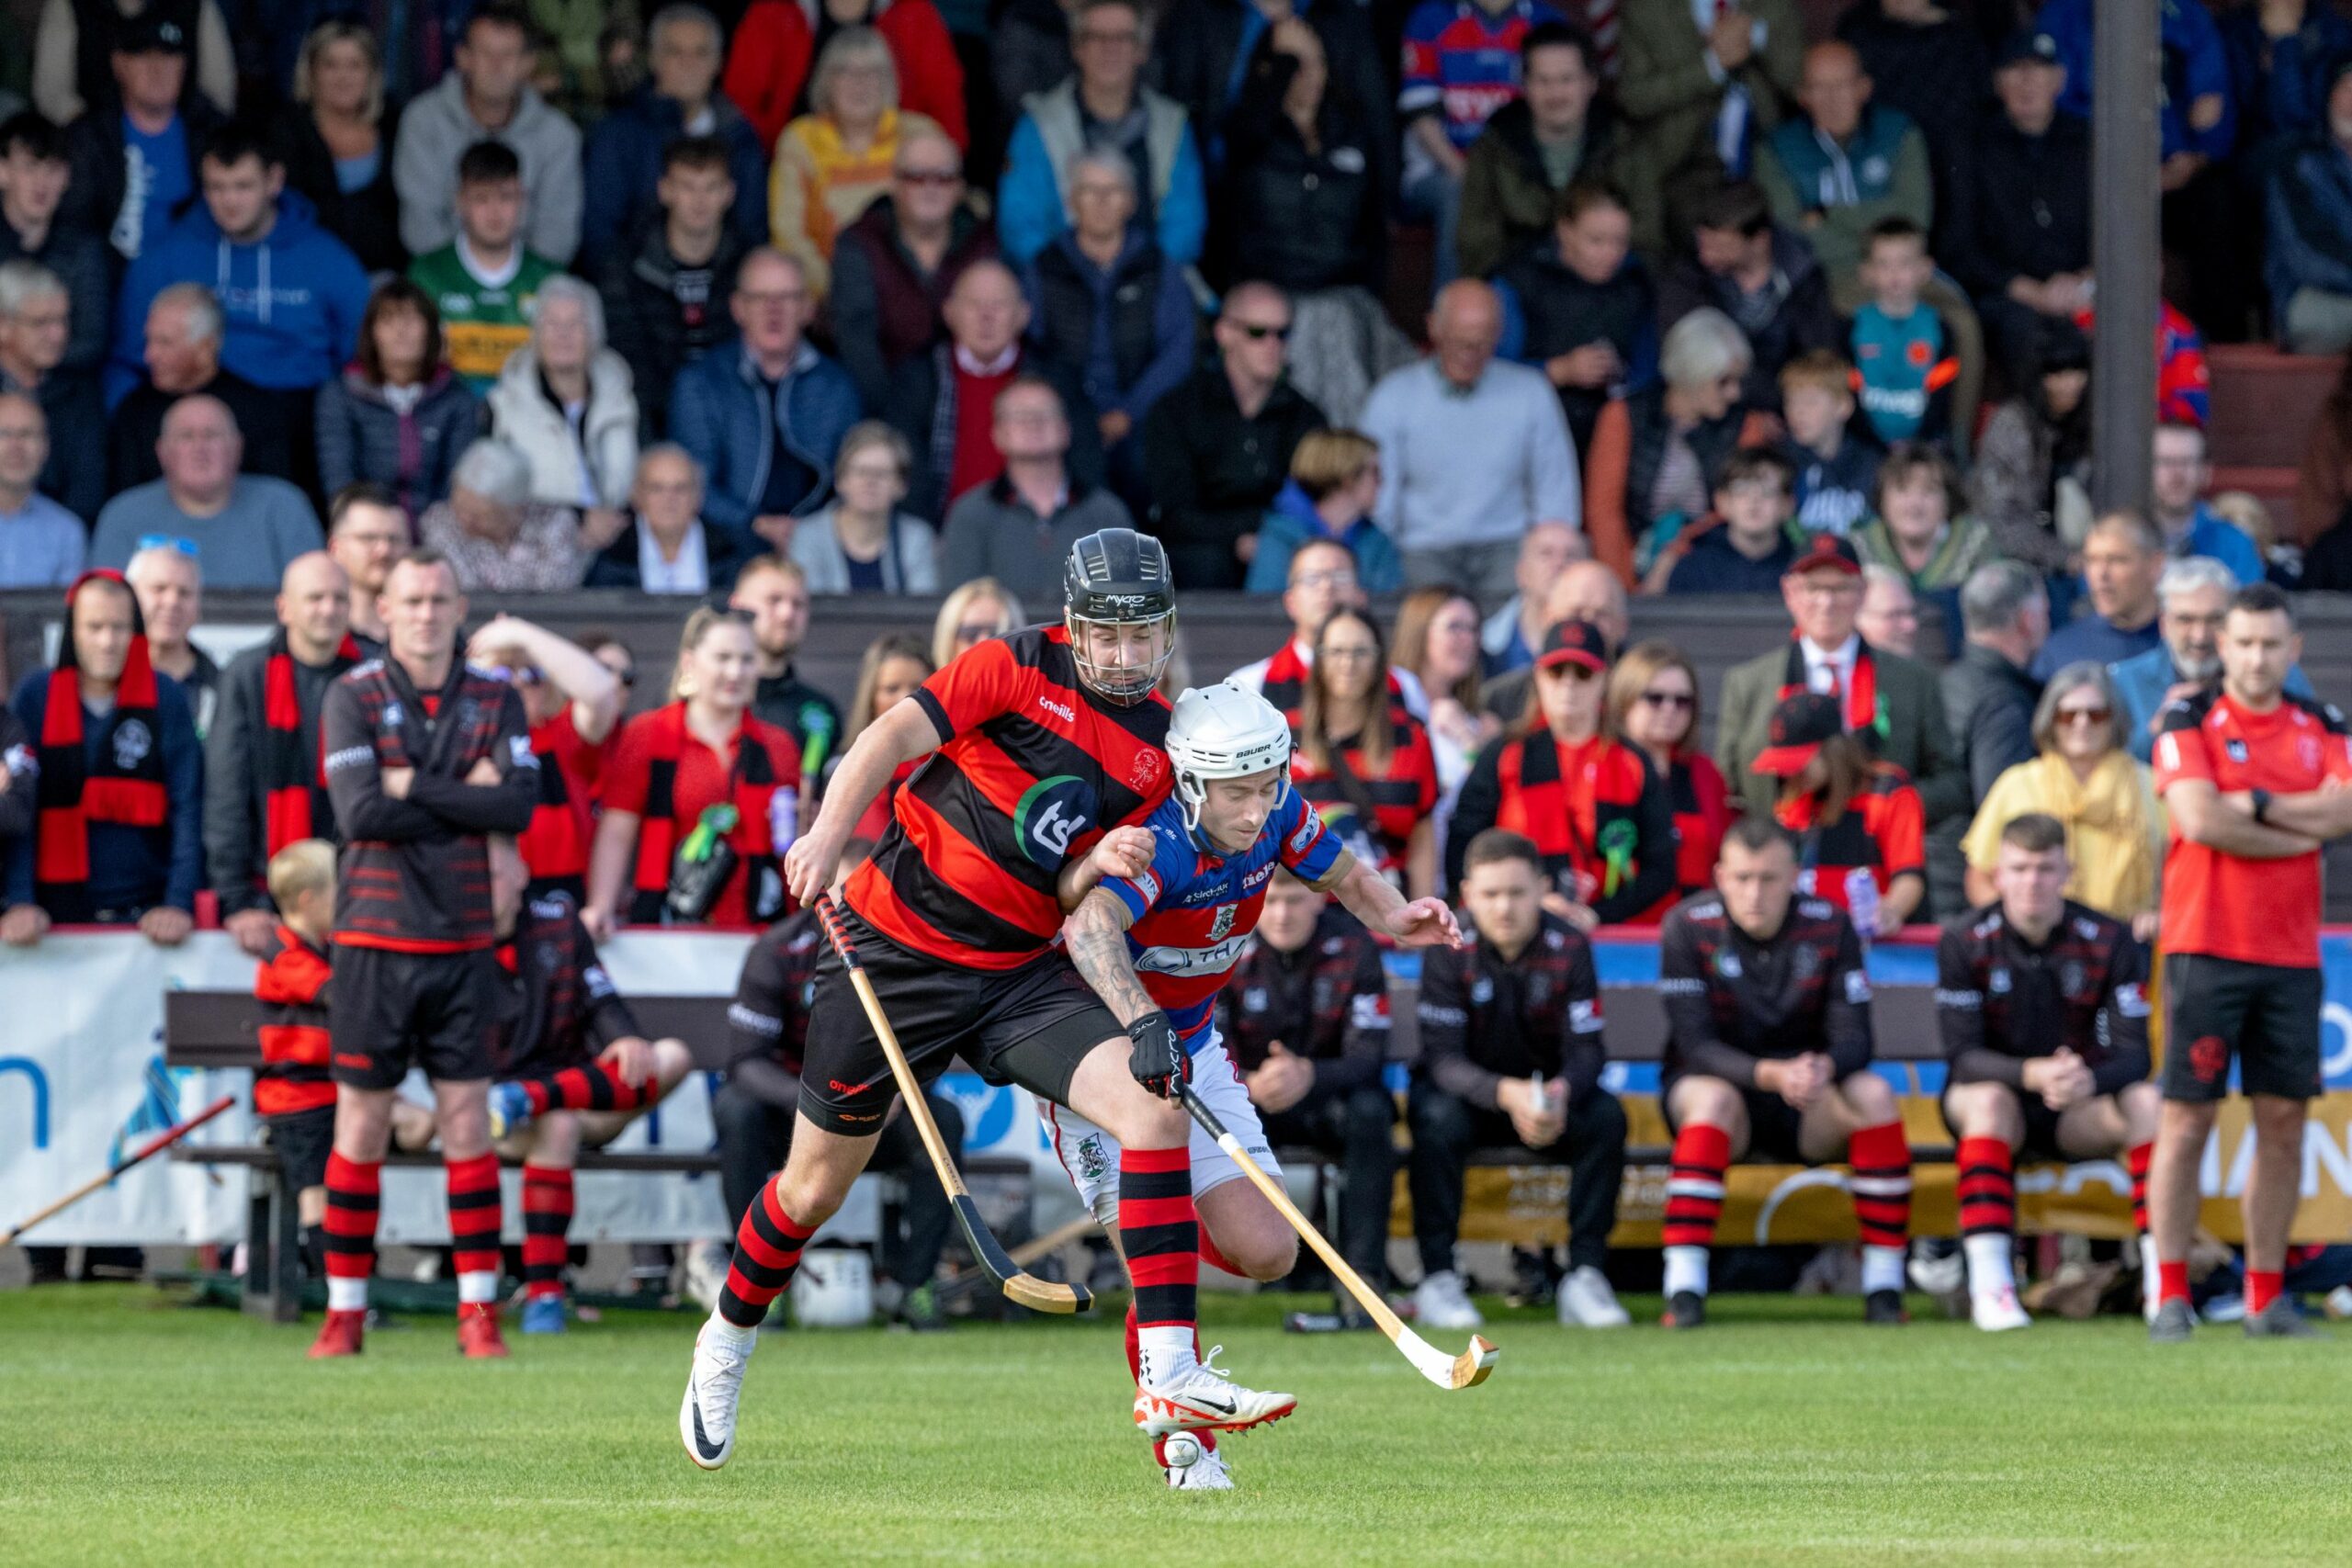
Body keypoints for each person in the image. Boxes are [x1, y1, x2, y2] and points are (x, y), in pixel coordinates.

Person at [677, 529, 1298, 1478]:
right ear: (1074, 628)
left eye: (1145, 638)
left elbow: (1068, 890)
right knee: (810, 1191)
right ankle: (725, 1339)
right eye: (1109, 637)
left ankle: (1170, 1373)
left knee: (1151, 1103)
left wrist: (1097, 865)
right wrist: (825, 833)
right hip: (891, 957)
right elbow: (887, 738)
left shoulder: (1160, 746)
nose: (1128, 658)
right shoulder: (1009, 666)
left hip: (1016, 972)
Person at [1049, 680, 1459, 1481]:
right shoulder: (1159, 841)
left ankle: (1156, 1254)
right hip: (1103, 1055)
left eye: (1270, 784)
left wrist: (1395, 912)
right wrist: (1141, 1024)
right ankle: (1183, 1442)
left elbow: (1344, 874)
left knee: (1269, 1249)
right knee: (1152, 1251)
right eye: (1239, 791)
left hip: (1193, 1044)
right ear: (1194, 782)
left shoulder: (1275, 815)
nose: (1257, 806)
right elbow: (1087, 926)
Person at [308, 547, 539, 1359]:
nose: (426, 613)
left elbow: (521, 800)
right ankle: (345, 1310)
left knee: (468, 1124)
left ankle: (478, 1311)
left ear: (459, 604)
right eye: (411, 600)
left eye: (439, 599)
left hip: (466, 939)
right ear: (386, 609)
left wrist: (416, 784)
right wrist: (466, 798)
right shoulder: (352, 693)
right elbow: (361, 811)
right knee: (363, 1124)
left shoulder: (497, 695)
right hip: (373, 941)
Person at [2147, 584, 2352, 1342]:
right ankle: (2169, 1292)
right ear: (2221, 646)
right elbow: (2198, 817)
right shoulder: (2186, 715)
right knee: (2187, 1116)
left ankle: (2266, 1297)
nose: (2258, 657)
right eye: (2244, 643)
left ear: (2292, 648)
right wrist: (2304, 825)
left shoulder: (2323, 721)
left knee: (2284, 1121)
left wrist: (2256, 805)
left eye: (2272, 644)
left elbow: (2350, 810)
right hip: (2206, 942)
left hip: (2291, 951)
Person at [1654, 816, 1912, 1328]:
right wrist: (1771, 1074)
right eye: (1743, 878)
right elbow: (1695, 1046)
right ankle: (1683, 1289)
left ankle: (1885, 1286)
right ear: (1720, 876)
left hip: (1808, 1099)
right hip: (1725, 1102)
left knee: (1875, 1094)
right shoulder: (1687, 925)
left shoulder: (1830, 923)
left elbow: (1858, 1038)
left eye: (1769, 879)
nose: (1755, 893)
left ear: (1794, 876)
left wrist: (1826, 1066)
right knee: (1711, 1099)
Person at [454, 834, 697, 1334]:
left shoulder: (558, 923)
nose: (483, 888)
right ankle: (544, 1293)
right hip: (486, 1113)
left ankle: (534, 1098)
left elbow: (601, 999)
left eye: (494, 875)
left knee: (671, 1055)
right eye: (474, 878)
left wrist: (626, 1038)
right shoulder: (450, 938)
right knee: (556, 1126)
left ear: (521, 875)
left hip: (579, 1096)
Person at [1938, 811, 2157, 1332]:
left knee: (2148, 1103)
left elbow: (2136, 1057)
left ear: (2068, 872)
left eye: (2044, 868)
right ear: (1998, 875)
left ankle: (2160, 1282)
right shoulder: (1964, 939)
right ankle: (1992, 1288)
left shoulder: (2110, 937)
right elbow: (1962, 1056)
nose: (2032, 881)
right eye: (2019, 868)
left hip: (2077, 1107)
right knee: (1989, 1098)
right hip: (1993, 1103)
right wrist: (2030, 1073)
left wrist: (2088, 1081)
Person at [709, 895, 969, 1332]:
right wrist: (816, 1104)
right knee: (737, 1111)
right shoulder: (778, 950)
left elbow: (928, 1044)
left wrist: (896, 1093)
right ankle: (756, 1283)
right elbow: (745, 1063)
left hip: (870, 1115)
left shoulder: (903, 945)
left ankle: (914, 1286)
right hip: (790, 1117)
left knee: (942, 1118)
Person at [1410, 827, 1628, 1331]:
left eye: (1516, 892)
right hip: (1471, 1104)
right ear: (1466, 896)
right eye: (1490, 894)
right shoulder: (1447, 947)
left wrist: (1558, 1095)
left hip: (1545, 1103)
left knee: (1604, 1117)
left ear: (1541, 889)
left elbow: (1588, 1049)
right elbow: (1442, 1060)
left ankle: (1587, 1276)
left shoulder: (1569, 945)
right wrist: (1506, 1094)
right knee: (1433, 1115)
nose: (1504, 907)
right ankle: (1439, 1276)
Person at [1213, 866, 1396, 1309]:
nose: (1281, 914)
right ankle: (1235, 1269)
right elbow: (1203, 1043)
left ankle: (1364, 1277)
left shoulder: (1356, 947)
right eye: (1269, 901)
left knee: (1373, 1112)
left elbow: (1370, 1056)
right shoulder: (1221, 947)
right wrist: (1249, 1084)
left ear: (1319, 899)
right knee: (1179, 1116)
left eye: (1293, 900)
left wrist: (1309, 1075)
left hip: (1329, 1101)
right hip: (1247, 1103)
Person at [107, 119, 370, 414]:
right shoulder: (164, 257)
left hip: (300, 408)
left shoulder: (328, 259)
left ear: (274, 181)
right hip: (196, 407)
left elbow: (358, 358)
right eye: (216, 187)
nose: (229, 201)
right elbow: (129, 359)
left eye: (243, 186)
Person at [1210, 11, 1393, 427]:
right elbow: (1242, 137)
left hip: (1345, 298)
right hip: (1273, 294)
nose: (1308, 76)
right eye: (1294, 65)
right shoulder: (1253, 138)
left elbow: (1373, 231)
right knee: (1306, 324)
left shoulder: (1352, 134)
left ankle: (1341, 457)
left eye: (1318, 63)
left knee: (1341, 326)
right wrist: (1277, 70)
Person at [0, 569, 200, 945]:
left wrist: (178, 902)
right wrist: (19, 901)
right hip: (49, 919)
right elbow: (21, 810)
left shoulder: (166, 696)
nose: (108, 641)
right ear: (71, 632)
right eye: (94, 627)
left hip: (147, 917)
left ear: (137, 632)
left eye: (120, 627)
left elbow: (188, 806)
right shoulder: (34, 696)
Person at [1713, 530, 1962, 823]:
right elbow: (1726, 786)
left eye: (1840, 588)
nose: (1826, 602)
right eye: (1813, 588)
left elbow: (1952, 783)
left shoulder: (1914, 681)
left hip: (1878, 852)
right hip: (1781, 849)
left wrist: (1895, 810)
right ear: (1789, 593)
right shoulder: (1747, 683)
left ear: (1862, 592)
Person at [1360, 279, 1579, 604]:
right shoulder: (1393, 396)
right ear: (1434, 328)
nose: (1470, 355)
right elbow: (1378, 497)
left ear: (1499, 333)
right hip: (1423, 550)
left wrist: (1553, 557)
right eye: (1461, 343)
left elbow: (1555, 491)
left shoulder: (1531, 392)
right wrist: (1378, 555)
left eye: (1482, 344)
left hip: (1508, 547)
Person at [588, 608, 803, 936]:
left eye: (747, 659)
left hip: (761, 928)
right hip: (668, 923)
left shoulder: (779, 745)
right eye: (723, 657)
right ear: (689, 662)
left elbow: (794, 842)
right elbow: (617, 830)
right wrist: (601, 906)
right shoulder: (648, 733)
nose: (736, 671)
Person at [1449, 615, 1675, 920]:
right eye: (1557, 672)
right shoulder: (1504, 754)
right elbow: (1464, 846)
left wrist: (1596, 915)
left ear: (1604, 680)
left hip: (1606, 934)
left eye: (1583, 673)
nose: (1568, 684)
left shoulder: (1632, 761)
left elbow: (1661, 866)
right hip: (1513, 927)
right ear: (1539, 677)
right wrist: (1523, 906)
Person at [205, 551, 365, 955]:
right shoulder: (247, 674)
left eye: (339, 599)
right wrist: (237, 900)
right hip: (269, 900)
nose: (328, 610)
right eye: (315, 598)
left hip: (361, 893)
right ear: (284, 607)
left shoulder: (373, 673)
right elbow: (227, 791)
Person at [1018, 149, 1192, 493]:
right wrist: (1076, 414)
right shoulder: (1044, 267)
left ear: (1130, 202)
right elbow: (1031, 348)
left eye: (1112, 191)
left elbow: (1179, 350)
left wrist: (1128, 412)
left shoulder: (1157, 267)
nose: (1100, 202)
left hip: (1143, 421)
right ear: (1071, 201)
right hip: (1063, 419)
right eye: (1089, 190)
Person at [672, 249, 863, 558]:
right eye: (760, 297)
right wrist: (755, 524)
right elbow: (693, 482)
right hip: (724, 547)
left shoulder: (836, 385)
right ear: (738, 308)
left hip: (819, 543)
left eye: (786, 297)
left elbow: (851, 477)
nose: (773, 310)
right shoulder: (701, 381)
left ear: (807, 309)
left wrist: (810, 529)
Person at [1139, 280, 1325, 591]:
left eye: (1283, 334)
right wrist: (1240, 538)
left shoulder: (1305, 415)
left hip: (1285, 547)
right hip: (1203, 557)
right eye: (1257, 333)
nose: (1273, 344)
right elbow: (1174, 513)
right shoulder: (1177, 410)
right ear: (1225, 333)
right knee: (1202, 561)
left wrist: (1269, 540)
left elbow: (1318, 499)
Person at [884, 257, 1101, 523]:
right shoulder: (917, 378)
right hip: (941, 537)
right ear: (949, 313)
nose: (986, 316)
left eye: (999, 305)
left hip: (1040, 534)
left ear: (1023, 315)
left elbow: (1087, 465)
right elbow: (902, 470)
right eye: (974, 304)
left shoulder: (1055, 379)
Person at [996, 0, 1205, 267]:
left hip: (1149, 287)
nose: (1111, 48)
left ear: (1142, 50)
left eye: (1124, 37)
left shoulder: (1172, 124)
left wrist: (1142, 280)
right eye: (1097, 37)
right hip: (1059, 288)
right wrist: (1074, 280)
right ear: (1077, 49)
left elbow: (1184, 229)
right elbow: (1021, 227)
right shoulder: (1040, 123)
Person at [1961, 663, 2165, 932]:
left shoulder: (2151, 785)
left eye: (2096, 714)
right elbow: (1979, 877)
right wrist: (2019, 925)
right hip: (2040, 947)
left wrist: (2160, 916)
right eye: (2069, 715)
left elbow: (2183, 874)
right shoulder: (2018, 783)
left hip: (2130, 943)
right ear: (2050, 719)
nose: (2082, 723)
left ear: (2114, 719)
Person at [1581, 306, 1774, 587]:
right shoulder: (1624, 416)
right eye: (1723, 381)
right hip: (1634, 567)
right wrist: (1627, 589)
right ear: (1692, 374)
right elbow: (1604, 512)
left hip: (1714, 571)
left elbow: (1738, 511)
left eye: (1737, 381)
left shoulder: (1746, 425)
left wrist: (1676, 554)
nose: (1735, 393)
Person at [1948, 29, 2091, 386]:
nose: (2027, 82)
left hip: (2086, 288)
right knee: (2023, 329)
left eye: (2039, 70)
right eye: (2015, 70)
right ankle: (2039, 436)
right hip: (2008, 296)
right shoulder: (1973, 147)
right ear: (1997, 82)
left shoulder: (2090, 141)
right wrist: (2029, 291)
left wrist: (2084, 279)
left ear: (2060, 80)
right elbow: (1961, 246)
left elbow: (2124, 232)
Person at [1395, 0, 1570, 288]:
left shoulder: (1545, 19)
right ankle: (1456, 318)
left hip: (1519, 169)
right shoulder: (1430, 18)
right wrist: (1470, 175)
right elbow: (1421, 113)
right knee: (1461, 194)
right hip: (1440, 171)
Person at [392, 3, 583, 265]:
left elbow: (557, 233)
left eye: (508, 55)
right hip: (443, 278)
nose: (496, 66)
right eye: (486, 53)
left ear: (528, 63)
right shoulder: (423, 121)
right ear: (463, 58)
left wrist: (509, 284)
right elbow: (420, 225)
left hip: (528, 285)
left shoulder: (558, 135)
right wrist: (469, 282)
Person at [1612, 0, 1804, 256]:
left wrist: (1755, 36)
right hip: (1683, 162)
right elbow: (1633, 98)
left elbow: (1799, 81)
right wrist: (1712, 66)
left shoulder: (1772, 5)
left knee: (1785, 239)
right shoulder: (1646, 10)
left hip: (1766, 151)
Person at [828, 126, 999, 412]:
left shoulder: (984, 245)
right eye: (916, 177)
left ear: (959, 189)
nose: (930, 188)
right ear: (894, 184)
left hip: (970, 408)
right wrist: (895, 417)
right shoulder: (860, 243)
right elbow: (857, 345)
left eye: (944, 178)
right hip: (883, 408)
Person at [768, 28, 945, 301]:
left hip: (915, 295)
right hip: (827, 299)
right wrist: (842, 288)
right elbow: (789, 234)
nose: (859, 83)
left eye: (872, 72)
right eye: (845, 72)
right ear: (826, 81)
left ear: (888, 81)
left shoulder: (919, 134)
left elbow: (943, 216)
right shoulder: (801, 139)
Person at [581, 5, 766, 265]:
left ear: (717, 63)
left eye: (700, 53)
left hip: (723, 293)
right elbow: (600, 232)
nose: (688, 63)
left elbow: (753, 231)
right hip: (636, 291)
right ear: (653, 60)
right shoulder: (618, 135)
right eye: (674, 52)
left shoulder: (740, 135)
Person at [1492, 180, 1658, 459]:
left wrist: (1621, 377)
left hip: (1612, 434)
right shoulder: (1520, 281)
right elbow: (1493, 374)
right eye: (1596, 241)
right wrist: (1558, 371)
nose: (1610, 253)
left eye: (1620, 242)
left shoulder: (1634, 283)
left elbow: (1648, 371)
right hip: (1530, 430)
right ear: (1565, 232)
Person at [599, 135, 750, 443]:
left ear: (729, 193)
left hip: (733, 411)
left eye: (711, 187)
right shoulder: (626, 264)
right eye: (687, 187)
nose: (699, 201)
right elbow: (627, 358)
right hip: (650, 413)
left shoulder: (749, 267)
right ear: (665, 191)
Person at [465, 613, 625, 901]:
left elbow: (601, 692)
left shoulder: (563, 736)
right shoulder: (461, 741)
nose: (515, 685)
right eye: (500, 675)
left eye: (532, 675)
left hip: (561, 906)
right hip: (480, 899)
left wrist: (521, 632)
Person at [1288, 607, 1442, 897]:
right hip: (1306, 913)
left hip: (1385, 906)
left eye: (1361, 652)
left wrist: (1421, 912)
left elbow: (1423, 838)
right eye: (1336, 652)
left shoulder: (1411, 737)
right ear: (1317, 660)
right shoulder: (1284, 734)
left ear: (1379, 660)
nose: (1348, 664)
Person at [91, 396, 324, 587]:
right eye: (186, 437)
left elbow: (317, 597)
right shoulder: (123, 516)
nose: (199, 448)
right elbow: (108, 606)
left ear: (237, 448)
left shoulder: (284, 506)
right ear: (162, 452)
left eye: (211, 435)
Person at [937, 375, 1131, 603]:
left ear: (1065, 430)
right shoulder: (970, 514)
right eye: (1019, 416)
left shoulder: (1106, 513)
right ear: (998, 434)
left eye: (1044, 414)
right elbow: (961, 610)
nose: (1033, 423)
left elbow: (1129, 605)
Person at [249, 840, 349, 1280]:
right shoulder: (283, 954)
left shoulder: (326, 947)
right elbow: (336, 994)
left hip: (337, 1093)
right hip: (296, 1101)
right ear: (308, 900)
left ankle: (350, 1266)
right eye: (338, 891)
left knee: (414, 1126)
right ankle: (329, 1277)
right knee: (317, 1190)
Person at [1754, 39, 1930, 288]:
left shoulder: (1899, 133)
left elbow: (1914, 217)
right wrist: (1878, 248)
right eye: (1819, 88)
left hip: (1903, 280)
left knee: (1958, 319)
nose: (1832, 99)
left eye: (1843, 85)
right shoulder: (1776, 149)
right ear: (1802, 95)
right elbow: (1790, 235)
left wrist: (1827, 213)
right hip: (1820, 281)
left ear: (1864, 88)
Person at [1749, 689, 1925, 933]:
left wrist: (1889, 911)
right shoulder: (1792, 796)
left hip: (1867, 944)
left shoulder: (1888, 793)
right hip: (1804, 940)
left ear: (1832, 750)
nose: (1790, 775)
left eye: (1798, 765)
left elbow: (1909, 876)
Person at [1657, 178, 1838, 413]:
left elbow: (1819, 362)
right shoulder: (1688, 274)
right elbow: (1685, 356)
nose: (1705, 255)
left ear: (1759, 240)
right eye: (1702, 242)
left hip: (1785, 410)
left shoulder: (1803, 279)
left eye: (1719, 246)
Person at [2112, 558, 2314, 766]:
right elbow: (2110, 774)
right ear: (2164, 624)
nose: (2200, 636)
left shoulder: (2279, 674)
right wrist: (2160, 727)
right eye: (2186, 620)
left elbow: (2312, 751)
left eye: (2214, 620)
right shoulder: (2124, 681)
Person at [1456, 21, 1617, 282]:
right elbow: (1475, 241)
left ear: (1591, 83)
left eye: (1567, 79)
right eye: (1543, 80)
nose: (1555, 93)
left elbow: (1647, 236)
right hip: (1521, 286)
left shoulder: (1622, 140)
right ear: (1525, 86)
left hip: (1606, 285)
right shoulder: (1494, 145)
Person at [57, 13, 220, 265]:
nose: (158, 69)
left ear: (184, 65)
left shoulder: (211, 131)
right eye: (143, 56)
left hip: (193, 277)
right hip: (107, 280)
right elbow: (73, 227)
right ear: (119, 64)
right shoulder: (89, 136)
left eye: (169, 56)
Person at [405, 140, 562, 396]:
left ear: (522, 200)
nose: (495, 211)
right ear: (459, 202)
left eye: (506, 197)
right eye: (481, 198)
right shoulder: (426, 276)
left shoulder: (549, 279)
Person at [313, 280, 478, 523]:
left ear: (432, 331)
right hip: (365, 527)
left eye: (412, 320)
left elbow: (457, 483)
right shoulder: (340, 394)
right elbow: (338, 479)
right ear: (371, 333)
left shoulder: (457, 397)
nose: (400, 331)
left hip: (438, 530)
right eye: (388, 321)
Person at [485, 275, 639, 530]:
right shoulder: (502, 405)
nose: (562, 335)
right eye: (551, 324)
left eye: (575, 324)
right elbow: (492, 495)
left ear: (594, 334)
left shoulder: (624, 398)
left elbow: (646, 480)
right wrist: (579, 520)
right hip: (536, 547)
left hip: (618, 541)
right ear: (535, 334)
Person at [107, 282, 293, 491]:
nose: (149, 356)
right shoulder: (134, 410)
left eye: (165, 343)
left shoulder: (259, 411)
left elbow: (275, 498)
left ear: (206, 347)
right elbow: (126, 500)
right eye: (149, 341)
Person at [725, 0, 968, 154]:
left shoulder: (913, 12)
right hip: (797, 160)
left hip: (895, 163)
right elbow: (740, 102)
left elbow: (945, 104)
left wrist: (939, 168)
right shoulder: (775, 9)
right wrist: (779, 153)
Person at [1607, 637, 1729, 914]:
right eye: (1655, 698)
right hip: (1620, 936)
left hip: (1695, 933)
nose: (1670, 709)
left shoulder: (1705, 773)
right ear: (1625, 700)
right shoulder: (1602, 767)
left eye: (1682, 700)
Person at [277, 20, 405, 275]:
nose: (343, 77)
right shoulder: (285, 130)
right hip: (305, 272)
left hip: (384, 276)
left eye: (354, 65)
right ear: (311, 71)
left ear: (371, 73)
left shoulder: (396, 125)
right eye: (330, 65)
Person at [1968, 331, 2092, 577]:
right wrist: (2063, 557)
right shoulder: (2012, 426)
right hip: (2017, 562)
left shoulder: (2095, 424)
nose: (2070, 383)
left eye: (2077, 371)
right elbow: (1999, 516)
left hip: (2088, 558)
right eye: (2056, 373)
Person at [0, 111, 110, 374]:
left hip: (63, 391)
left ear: (67, 177)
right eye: (30, 167)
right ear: (2, 171)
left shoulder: (84, 247)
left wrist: (25, 356)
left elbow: (93, 341)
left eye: (53, 169)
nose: (41, 183)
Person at [417, 436, 601, 592]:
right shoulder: (440, 521)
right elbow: (465, 588)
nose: (465, 519)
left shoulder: (555, 522)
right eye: (459, 508)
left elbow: (554, 590)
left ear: (517, 508)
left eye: (480, 516)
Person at [1937, 559, 2047, 818]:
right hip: (1972, 854)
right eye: (2045, 612)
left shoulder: (1947, 681)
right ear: (2027, 620)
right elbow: (2003, 812)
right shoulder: (2004, 703)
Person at [1845, 219, 1962, 449]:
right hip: (1866, 445)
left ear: (1925, 269)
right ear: (1866, 272)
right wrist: (1874, 444)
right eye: (1883, 264)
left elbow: (1941, 398)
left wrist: (1917, 445)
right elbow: (1848, 391)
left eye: (1905, 263)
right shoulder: (1852, 327)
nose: (1894, 274)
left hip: (1926, 444)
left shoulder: (1940, 329)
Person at [0, 258, 102, 523]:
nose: (57, 335)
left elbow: (87, 490)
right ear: (3, 326)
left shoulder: (80, 393)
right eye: (40, 323)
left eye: (62, 321)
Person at [1246, 428, 1401, 597]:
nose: (1382, 482)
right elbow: (1265, 608)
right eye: (1375, 472)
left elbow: (1386, 607)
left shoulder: (1378, 541)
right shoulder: (1280, 536)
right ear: (1348, 477)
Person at [1476, 554, 1629, 724]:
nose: (1586, 624)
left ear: (1622, 626)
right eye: (1575, 612)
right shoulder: (1499, 701)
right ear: (1548, 619)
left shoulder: (1647, 697)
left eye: (1601, 614)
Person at [789, 421, 937, 593]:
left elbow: (922, 609)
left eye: (881, 474)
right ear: (840, 480)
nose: (870, 482)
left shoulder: (917, 537)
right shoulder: (809, 535)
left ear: (901, 485)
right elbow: (808, 607)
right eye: (861, 472)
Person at [32, 0, 234, 127]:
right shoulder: (69, 5)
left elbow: (219, 92)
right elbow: (51, 93)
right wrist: (97, 137)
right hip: (92, 150)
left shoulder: (194, 5)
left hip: (185, 141)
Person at [730, 554, 847, 772]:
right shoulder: (697, 702)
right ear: (737, 606)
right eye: (773, 600)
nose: (787, 614)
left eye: (798, 604)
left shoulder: (822, 710)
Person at [586, 444, 748, 594]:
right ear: (637, 496)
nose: (669, 499)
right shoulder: (612, 558)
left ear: (698, 497)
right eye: (657, 488)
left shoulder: (729, 554)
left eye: (680, 488)